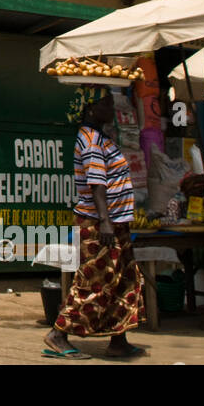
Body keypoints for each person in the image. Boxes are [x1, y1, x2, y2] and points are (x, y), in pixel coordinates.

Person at [44, 92, 146, 360]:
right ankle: (58, 334)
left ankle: (118, 339)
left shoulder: (102, 138)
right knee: (95, 282)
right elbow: (96, 183)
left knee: (124, 280)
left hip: (116, 222)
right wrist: (105, 222)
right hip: (101, 223)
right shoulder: (90, 141)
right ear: (90, 109)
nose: (112, 108)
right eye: (106, 104)